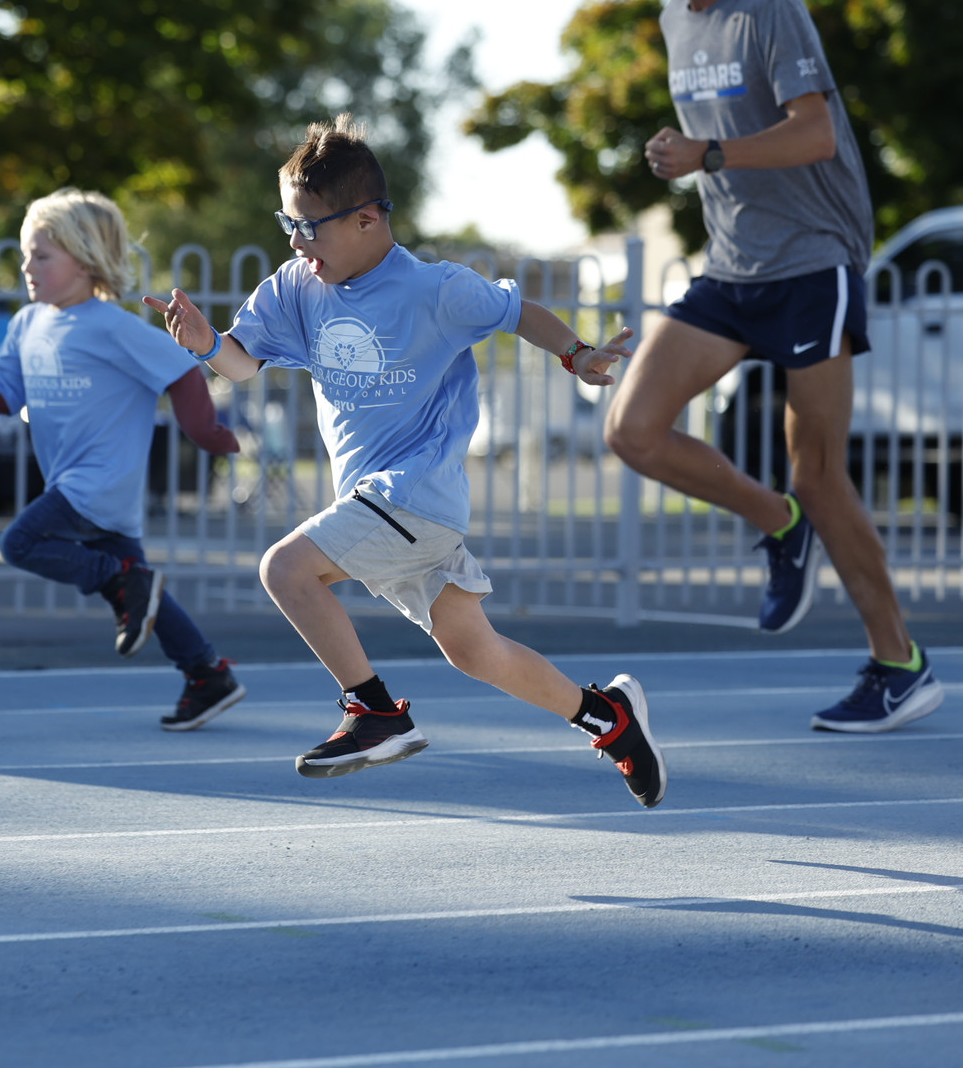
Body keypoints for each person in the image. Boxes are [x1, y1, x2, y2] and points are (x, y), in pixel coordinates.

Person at [144, 116, 667, 805]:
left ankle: (375, 712)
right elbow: (242, 365)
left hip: (416, 494)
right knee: (474, 651)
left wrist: (577, 354)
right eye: (288, 224)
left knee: (286, 569)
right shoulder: (296, 286)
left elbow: (518, 311)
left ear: (366, 219)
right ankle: (609, 719)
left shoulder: (435, 288)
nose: (296, 241)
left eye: (309, 227)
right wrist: (208, 343)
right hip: (377, 503)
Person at [595, 0, 943, 736]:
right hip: (732, 266)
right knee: (632, 430)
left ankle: (900, 665)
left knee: (820, 474)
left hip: (812, 264)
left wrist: (706, 155)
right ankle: (777, 523)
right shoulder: (675, 17)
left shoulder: (769, 4)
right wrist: (686, 155)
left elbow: (815, 132)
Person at [0, 189, 248, 732]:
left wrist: (206, 433)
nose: (27, 267)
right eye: (26, 255)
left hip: (100, 481)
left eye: (41, 255)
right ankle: (207, 673)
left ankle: (122, 581)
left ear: (85, 260)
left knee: (20, 543)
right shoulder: (27, 324)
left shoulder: (111, 326)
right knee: (141, 586)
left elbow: (181, 370)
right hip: (74, 481)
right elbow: (0, 391)